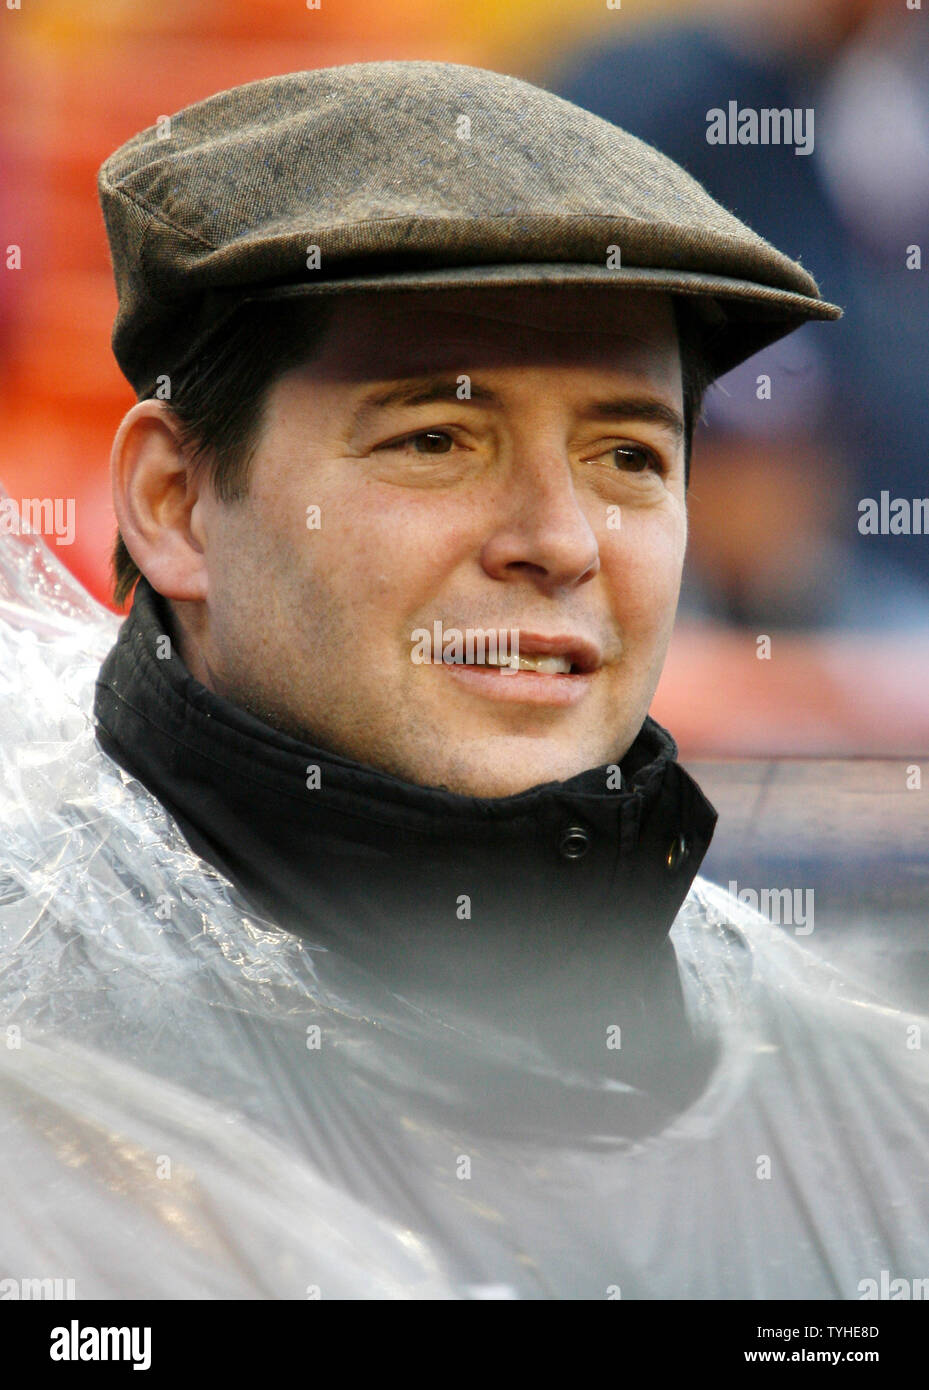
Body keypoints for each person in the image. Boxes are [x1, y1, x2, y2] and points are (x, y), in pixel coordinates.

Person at [0, 60, 926, 1301]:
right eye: (436, 439)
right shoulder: (38, 1057)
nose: (560, 538)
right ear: (175, 502)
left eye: (625, 456)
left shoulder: (855, 1100)